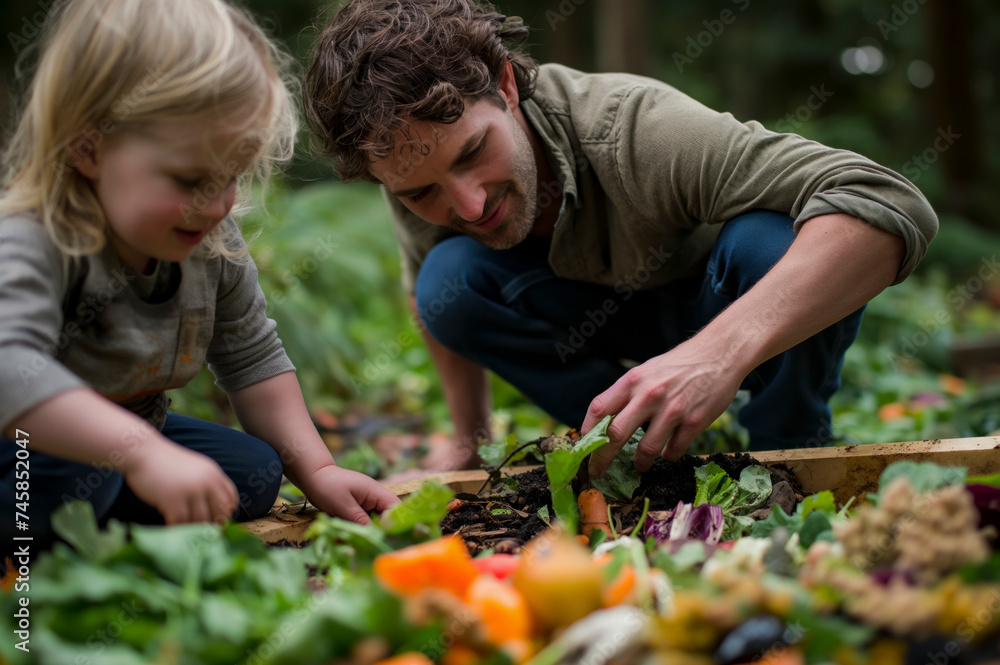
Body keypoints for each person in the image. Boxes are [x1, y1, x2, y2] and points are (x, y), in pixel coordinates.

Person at [304, 0, 939, 478]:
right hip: (588, 314)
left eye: (475, 152)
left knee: (771, 242)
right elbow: (429, 300)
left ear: (503, 86)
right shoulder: (410, 169)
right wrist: (466, 444)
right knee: (450, 281)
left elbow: (886, 200)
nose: (466, 203)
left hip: (720, 301)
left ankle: (786, 442)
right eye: (421, 192)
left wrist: (717, 353)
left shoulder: (639, 130)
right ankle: (637, 447)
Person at [0, 0, 398, 551]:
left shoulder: (210, 240)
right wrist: (142, 452)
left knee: (253, 472)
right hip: (22, 445)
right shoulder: (36, 238)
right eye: (190, 179)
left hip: (128, 445)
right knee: (60, 472)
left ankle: (101, 530)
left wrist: (320, 473)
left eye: (231, 177)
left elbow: (251, 356)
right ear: (87, 147)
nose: (215, 205)